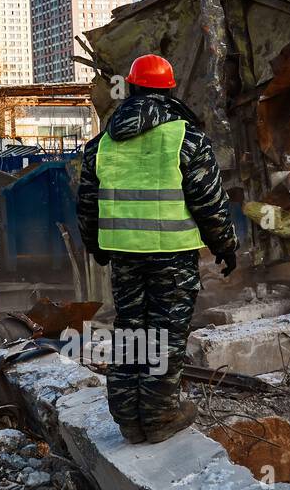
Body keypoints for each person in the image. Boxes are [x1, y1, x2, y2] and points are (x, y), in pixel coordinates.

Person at [76, 54, 238, 444]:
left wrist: (96, 246)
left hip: (124, 256)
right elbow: (209, 201)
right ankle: (160, 416)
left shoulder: (103, 143)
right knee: (165, 332)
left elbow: (86, 203)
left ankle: (129, 418)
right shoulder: (187, 137)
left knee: (132, 327)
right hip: (173, 255)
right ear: (169, 91)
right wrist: (225, 245)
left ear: (130, 89)